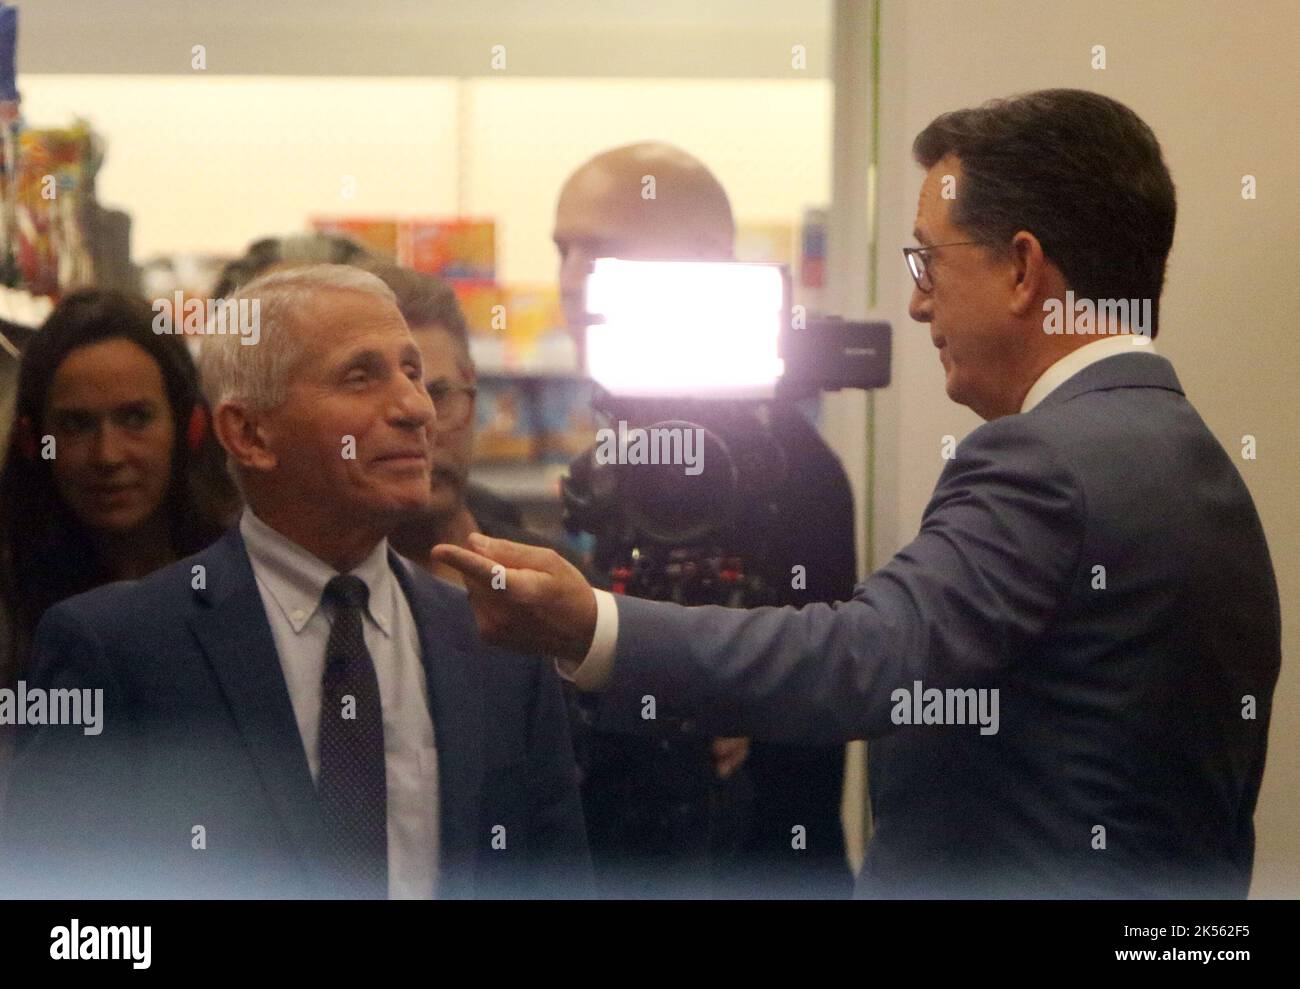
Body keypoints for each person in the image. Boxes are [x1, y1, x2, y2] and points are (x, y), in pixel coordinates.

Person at [434, 90, 1282, 899]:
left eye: (928, 260)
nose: (916, 303)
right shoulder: (1190, 456)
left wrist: (590, 624)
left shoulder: (1045, 459)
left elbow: (865, 658)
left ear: (1023, 269)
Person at [2, 265, 590, 899]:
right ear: (249, 433)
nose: (417, 408)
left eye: (414, 373)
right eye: (360, 376)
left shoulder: (499, 645)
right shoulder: (118, 651)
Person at [552, 142, 855, 897]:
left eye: (604, 249)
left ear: (707, 263)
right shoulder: (622, 446)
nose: (571, 278)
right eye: (563, 248)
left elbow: (812, 710)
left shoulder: (785, 469)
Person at [0, 291, 234, 806]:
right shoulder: (12, 607)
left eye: (135, 419)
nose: (107, 455)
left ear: (190, 428)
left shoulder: (244, 584)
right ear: (31, 440)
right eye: (77, 425)